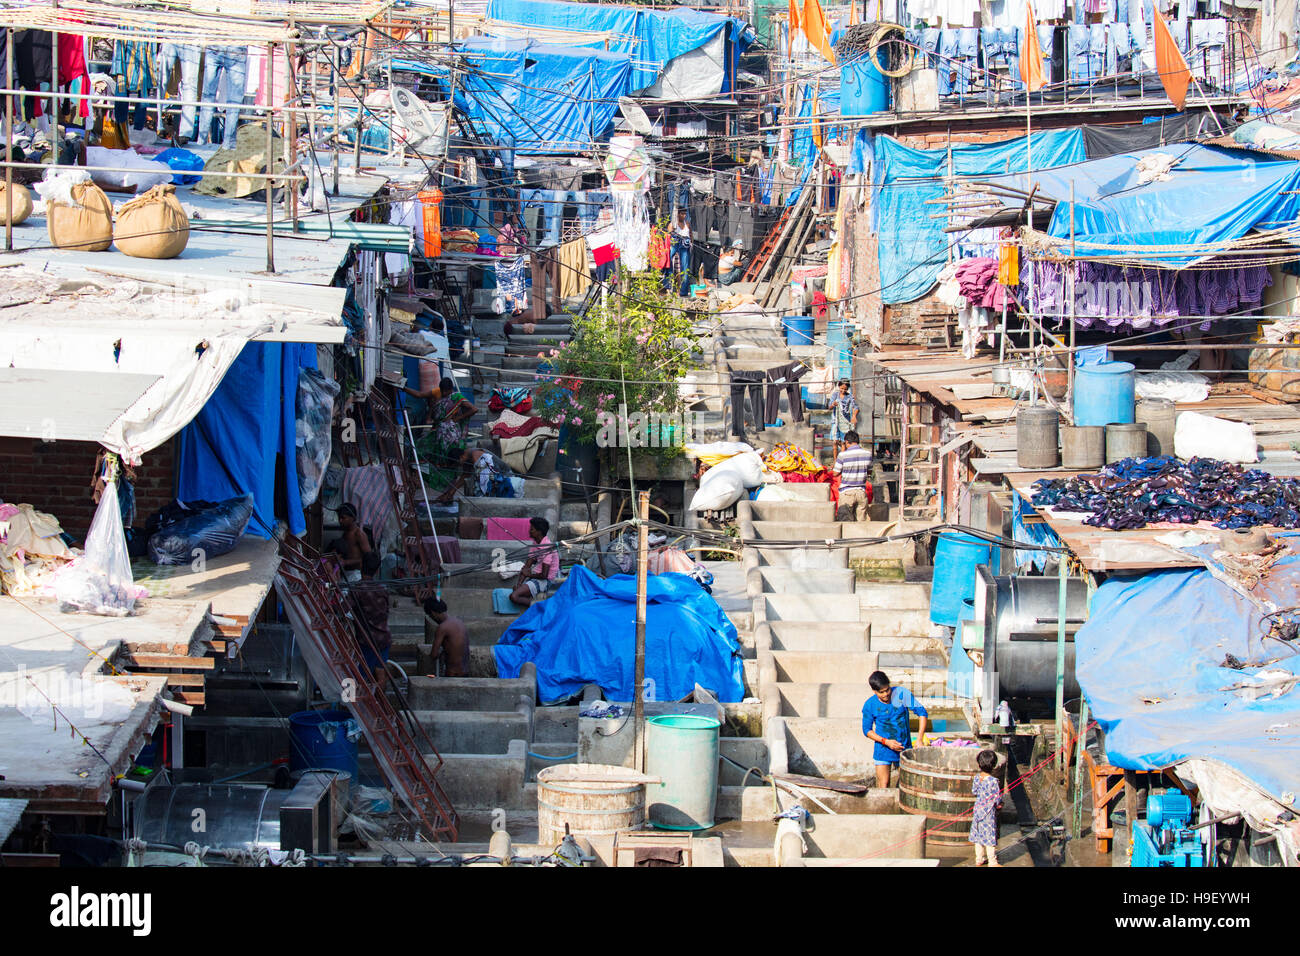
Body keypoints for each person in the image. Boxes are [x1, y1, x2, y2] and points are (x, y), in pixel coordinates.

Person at [862, 670, 928, 790]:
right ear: (874, 691)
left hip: (904, 748)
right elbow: (867, 730)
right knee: (884, 784)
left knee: (908, 784)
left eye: (887, 690)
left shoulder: (902, 694)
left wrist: (919, 739)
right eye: (881, 692)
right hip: (883, 750)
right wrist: (886, 742)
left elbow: (922, 713)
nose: (886, 694)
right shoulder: (869, 705)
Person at [410, 377, 476, 469]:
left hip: (451, 432)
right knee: (425, 448)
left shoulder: (456, 397)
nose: (444, 393)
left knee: (450, 453)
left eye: (446, 391)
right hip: (438, 430)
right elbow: (419, 394)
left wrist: (458, 418)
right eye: (443, 391)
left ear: (451, 389)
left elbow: (474, 409)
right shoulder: (437, 392)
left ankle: (450, 472)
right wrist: (403, 388)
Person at [350, 551, 391, 692]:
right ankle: (380, 706)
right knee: (380, 675)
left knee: (356, 675)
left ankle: (353, 705)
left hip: (366, 640)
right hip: (383, 638)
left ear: (361, 566)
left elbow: (342, 608)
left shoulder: (356, 589)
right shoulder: (382, 589)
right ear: (377, 569)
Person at [510, 516, 559, 607]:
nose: (529, 531)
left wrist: (528, 575)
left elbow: (544, 575)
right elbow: (527, 566)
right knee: (515, 589)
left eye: (532, 529)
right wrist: (519, 584)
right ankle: (533, 600)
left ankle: (540, 606)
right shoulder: (535, 544)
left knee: (514, 596)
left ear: (539, 532)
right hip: (536, 577)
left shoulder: (547, 547)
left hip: (546, 580)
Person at [436, 447, 515, 503]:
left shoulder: (475, 455)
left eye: (457, 463)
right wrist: (450, 492)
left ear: (461, 457)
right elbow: (465, 475)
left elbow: (483, 479)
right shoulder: (467, 458)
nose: (459, 466)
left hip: (506, 476)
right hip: (495, 478)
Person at [970, 749, 1003, 866]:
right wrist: (1000, 804)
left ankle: (979, 859)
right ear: (994, 766)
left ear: (979, 764)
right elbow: (997, 798)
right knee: (989, 837)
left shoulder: (977, 778)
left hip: (978, 811)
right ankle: (992, 861)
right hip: (989, 813)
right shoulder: (994, 781)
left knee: (978, 836)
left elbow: (974, 791)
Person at [832, 430, 873, 522]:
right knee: (861, 521)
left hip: (847, 492)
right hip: (861, 492)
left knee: (845, 521)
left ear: (847, 442)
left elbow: (835, 473)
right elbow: (869, 472)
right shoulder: (868, 454)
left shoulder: (843, 455)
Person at [423, 597, 469, 677]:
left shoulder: (442, 627)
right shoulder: (459, 622)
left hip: (453, 673)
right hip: (465, 672)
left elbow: (434, 655)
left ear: (433, 613)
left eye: (430, 616)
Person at [335, 503, 371, 583]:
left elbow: (369, 559)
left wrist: (346, 562)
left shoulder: (359, 534)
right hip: (346, 573)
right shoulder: (345, 534)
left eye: (343, 518)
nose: (340, 521)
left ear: (353, 518)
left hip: (357, 574)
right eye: (339, 518)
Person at [830, 379, 860, 456]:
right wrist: (833, 404)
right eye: (842, 388)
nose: (843, 390)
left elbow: (856, 407)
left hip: (845, 422)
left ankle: (842, 460)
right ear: (839, 386)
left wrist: (854, 416)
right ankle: (835, 461)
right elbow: (829, 407)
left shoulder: (849, 397)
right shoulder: (835, 395)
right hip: (835, 421)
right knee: (835, 441)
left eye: (845, 389)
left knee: (843, 442)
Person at [671, 207, 692, 297]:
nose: (684, 216)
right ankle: (670, 288)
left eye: (685, 214)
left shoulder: (687, 224)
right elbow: (669, 234)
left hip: (685, 246)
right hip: (675, 244)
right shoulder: (673, 224)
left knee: (685, 268)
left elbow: (691, 235)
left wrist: (692, 244)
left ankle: (683, 291)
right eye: (682, 214)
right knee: (670, 265)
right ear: (678, 214)